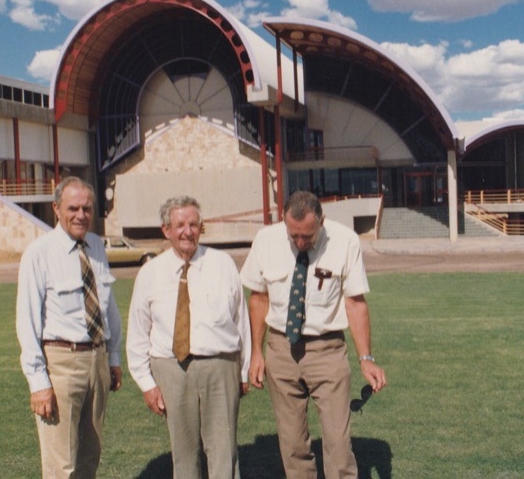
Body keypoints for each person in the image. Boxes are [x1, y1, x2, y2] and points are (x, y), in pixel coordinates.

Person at [239, 190, 387, 478]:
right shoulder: (266, 240)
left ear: (322, 221)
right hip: (281, 350)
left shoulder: (345, 241)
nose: (299, 243)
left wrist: (366, 358)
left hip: (327, 351)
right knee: (292, 443)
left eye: (307, 236)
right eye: (292, 235)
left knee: (338, 443)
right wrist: (256, 352)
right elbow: (258, 298)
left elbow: (355, 302)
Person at [126, 196, 251, 478]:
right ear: (166, 230)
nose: (188, 231)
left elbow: (240, 321)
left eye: (194, 224)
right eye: (180, 225)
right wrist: (146, 383)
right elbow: (138, 333)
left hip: (220, 367)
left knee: (224, 451)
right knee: (183, 455)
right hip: (172, 370)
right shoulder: (150, 273)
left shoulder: (222, 264)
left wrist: (243, 372)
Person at [16, 176, 123, 478]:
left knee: (90, 456)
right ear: (56, 209)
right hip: (61, 364)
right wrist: (38, 382)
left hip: (97, 360)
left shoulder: (96, 246)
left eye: (86, 208)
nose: (81, 215)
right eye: (73, 208)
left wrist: (113, 358)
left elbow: (108, 308)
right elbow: (27, 320)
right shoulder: (39, 253)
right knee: (61, 465)